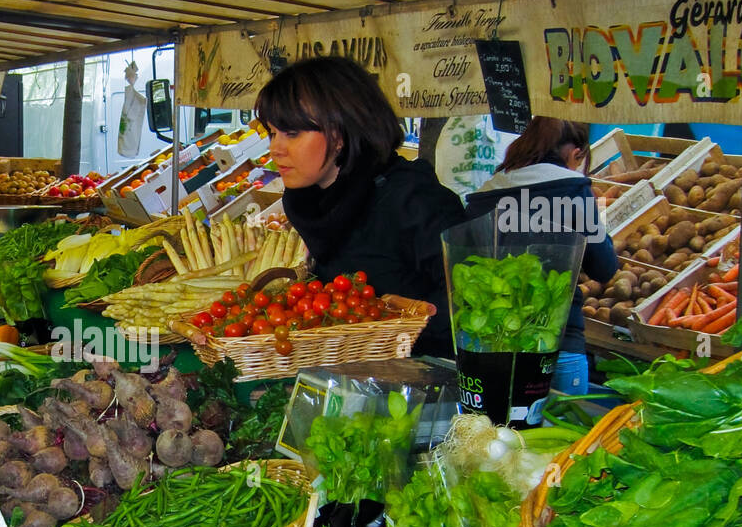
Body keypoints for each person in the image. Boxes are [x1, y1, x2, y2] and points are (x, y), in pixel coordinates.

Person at [254, 56, 468, 356]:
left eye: (292, 133)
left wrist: (402, 324)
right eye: (272, 133)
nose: (275, 148)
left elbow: (468, 304)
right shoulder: (312, 205)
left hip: (420, 385)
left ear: (339, 135)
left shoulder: (414, 199)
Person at [463, 117, 618, 395]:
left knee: (494, 430)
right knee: (567, 434)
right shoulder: (573, 191)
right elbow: (604, 267)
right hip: (559, 344)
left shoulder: (485, 194)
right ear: (575, 153)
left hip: (490, 343)